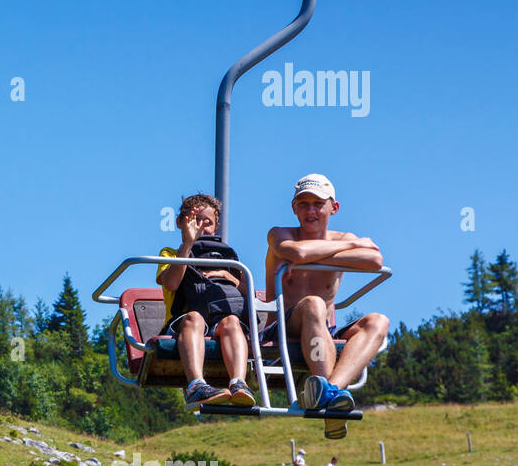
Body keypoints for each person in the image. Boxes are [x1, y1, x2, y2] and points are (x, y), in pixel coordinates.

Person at [265, 174, 390, 439]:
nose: (311, 210)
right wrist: (351, 245)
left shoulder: (340, 236)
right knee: (313, 303)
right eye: (304, 204)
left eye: (318, 204)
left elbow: (375, 259)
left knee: (378, 321)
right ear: (294, 208)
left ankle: (330, 391)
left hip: (323, 329)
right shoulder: (280, 233)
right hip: (284, 326)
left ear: (333, 208)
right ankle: (329, 398)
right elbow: (295, 253)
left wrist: (331, 247)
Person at [157, 194, 256, 410]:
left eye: (207, 222)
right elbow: (172, 283)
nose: (201, 227)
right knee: (194, 318)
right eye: (195, 221)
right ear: (180, 223)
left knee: (231, 321)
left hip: (223, 321)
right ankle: (196, 386)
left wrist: (229, 275)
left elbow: (252, 296)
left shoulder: (227, 257)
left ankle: (239, 382)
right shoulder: (171, 254)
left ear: (217, 226)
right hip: (188, 322)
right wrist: (187, 244)